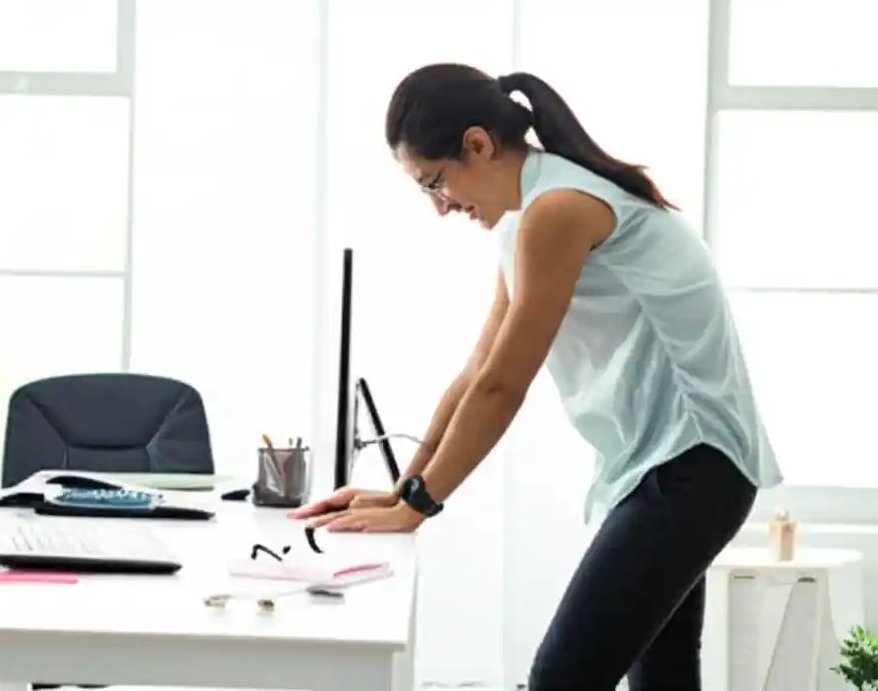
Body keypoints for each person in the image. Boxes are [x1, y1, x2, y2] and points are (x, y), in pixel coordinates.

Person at [289, 63, 783, 690]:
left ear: (478, 144)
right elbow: (478, 368)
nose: (442, 208)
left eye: (436, 183)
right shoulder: (529, 219)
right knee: (662, 679)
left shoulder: (562, 210)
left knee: (561, 681)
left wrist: (419, 504)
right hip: (666, 471)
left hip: (693, 468)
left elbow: (504, 385)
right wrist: (404, 487)